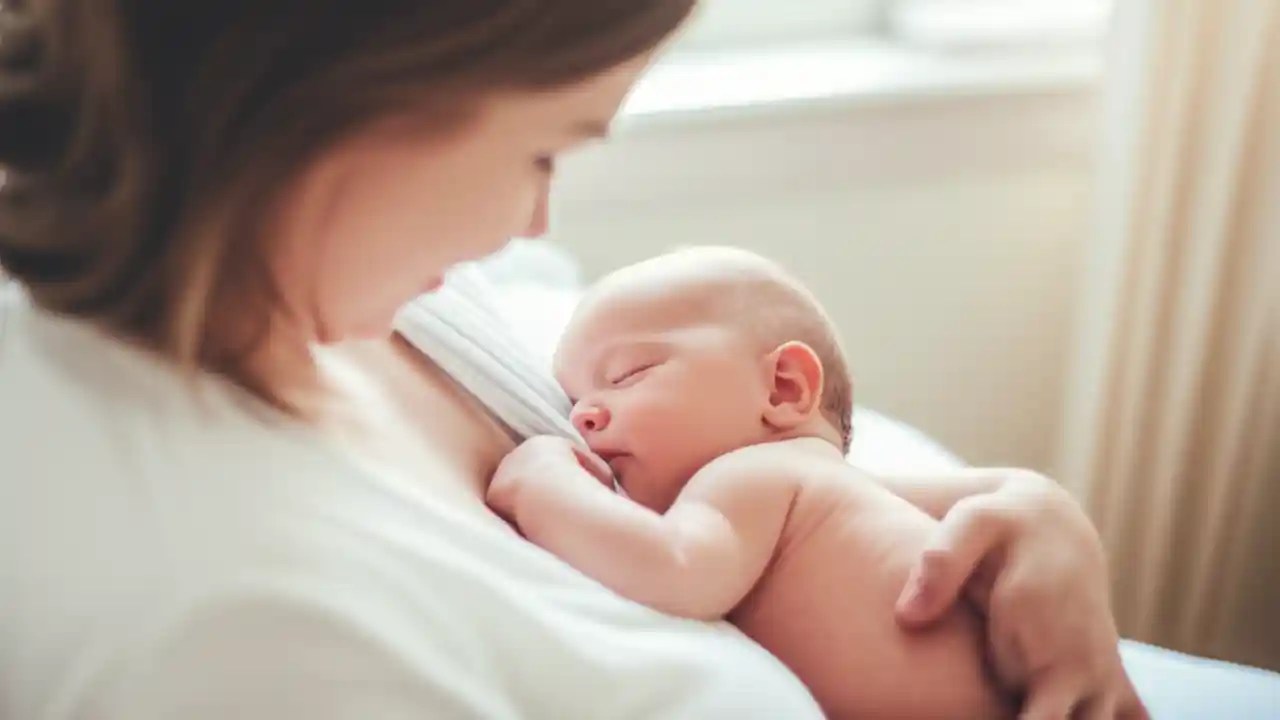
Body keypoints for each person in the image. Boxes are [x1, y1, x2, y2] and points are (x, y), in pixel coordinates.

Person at [0, 2, 1145, 718]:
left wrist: (1020, 509)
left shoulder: (372, 289)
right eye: (545, 146)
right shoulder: (257, 636)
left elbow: (776, 478)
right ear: (350, 93)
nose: (535, 222)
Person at [487, 247, 1014, 718]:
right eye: (574, 400)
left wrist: (544, 483)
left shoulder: (755, 472)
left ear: (783, 389)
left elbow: (675, 570)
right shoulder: (841, 498)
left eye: (626, 374)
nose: (583, 417)